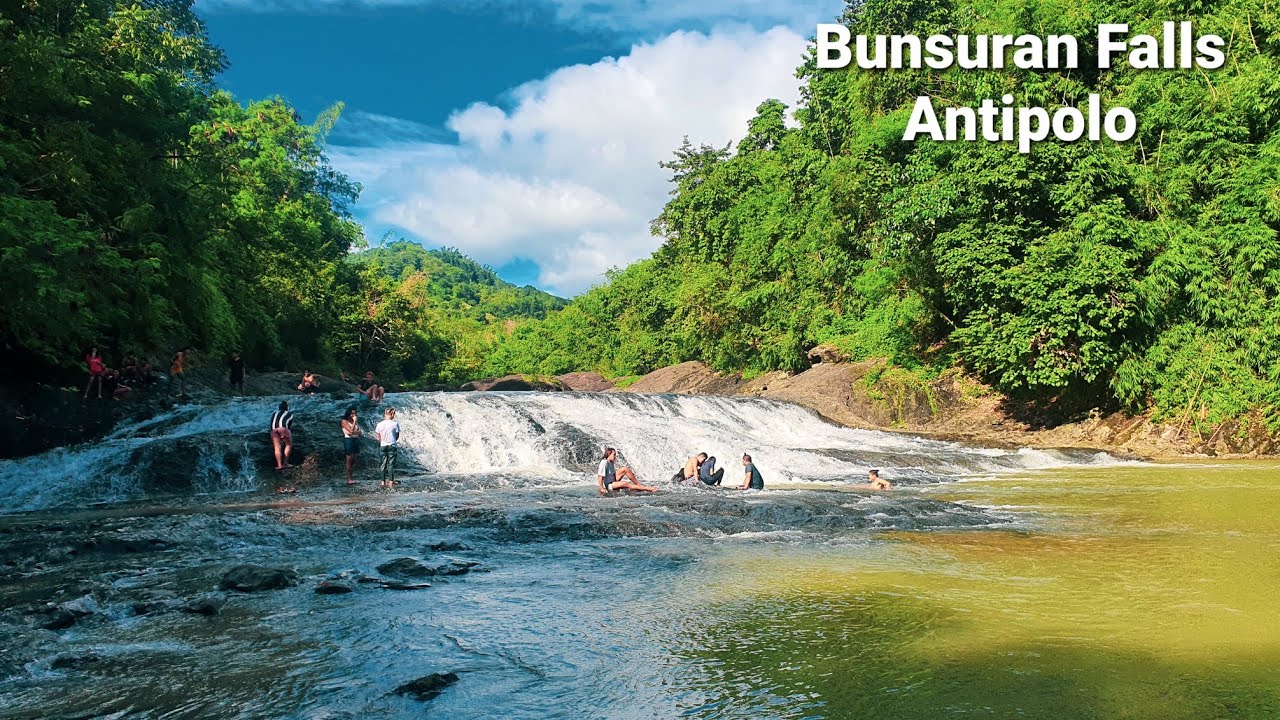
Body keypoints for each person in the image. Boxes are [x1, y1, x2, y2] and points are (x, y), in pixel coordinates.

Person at [269, 401, 296, 492]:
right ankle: (285, 462)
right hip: (284, 429)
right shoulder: (289, 414)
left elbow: (271, 424)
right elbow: (288, 426)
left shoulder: (274, 413)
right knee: (288, 445)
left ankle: (279, 465)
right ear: (286, 408)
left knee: (277, 447)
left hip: (274, 430)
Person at [374, 406, 401, 488]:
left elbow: (379, 435)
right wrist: (392, 440)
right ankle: (391, 481)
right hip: (392, 445)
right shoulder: (395, 424)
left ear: (385, 414)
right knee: (391, 464)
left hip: (383, 445)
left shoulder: (379, 424)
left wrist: (382, 441)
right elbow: (397, 436)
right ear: (392, 415)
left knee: (383, 464)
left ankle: (382, 482)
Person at [341, 406, 362, 485]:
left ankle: (352, 477)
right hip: (348, 440)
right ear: (348, 413)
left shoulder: (354, 421)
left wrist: (354, 432)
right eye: (352, 413)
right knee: (349, 460)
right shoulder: (344, 421)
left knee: (354, 459)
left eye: (355, 413)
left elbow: (360, 432)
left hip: (355, 439)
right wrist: (354, 422)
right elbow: (350, 431)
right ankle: (349, 479)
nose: (353, 415)